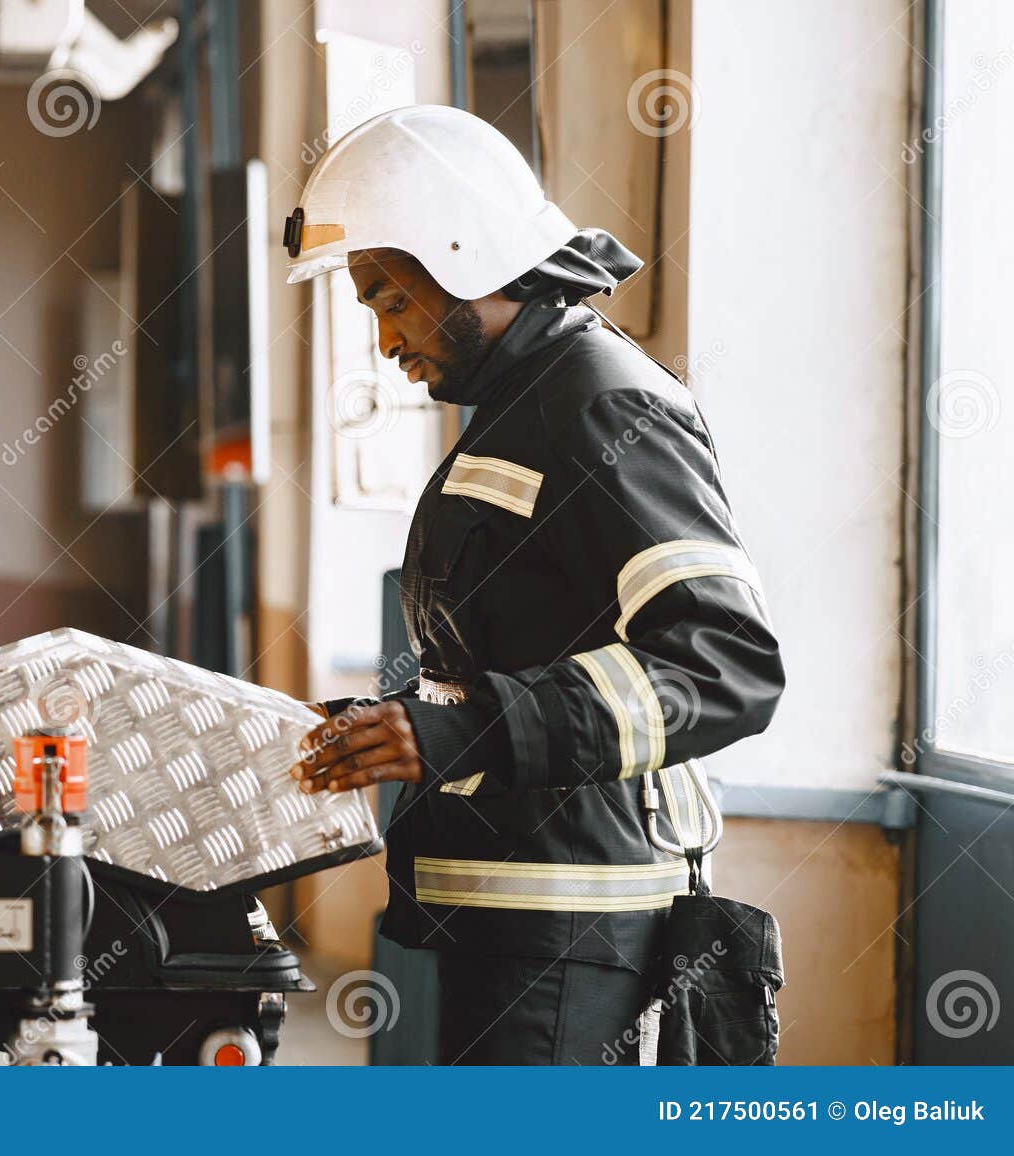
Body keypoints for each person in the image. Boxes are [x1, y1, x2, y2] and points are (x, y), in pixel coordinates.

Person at [282, 105, 784, 1065]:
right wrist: (387, 724)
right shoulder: (524, 404)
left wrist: (459, 730)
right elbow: (520, 655)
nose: (385, 343)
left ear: (462, 254)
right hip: (514, 923)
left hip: (577, 938)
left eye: (388, 299)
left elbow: (725, 663)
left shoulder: (603, 401)